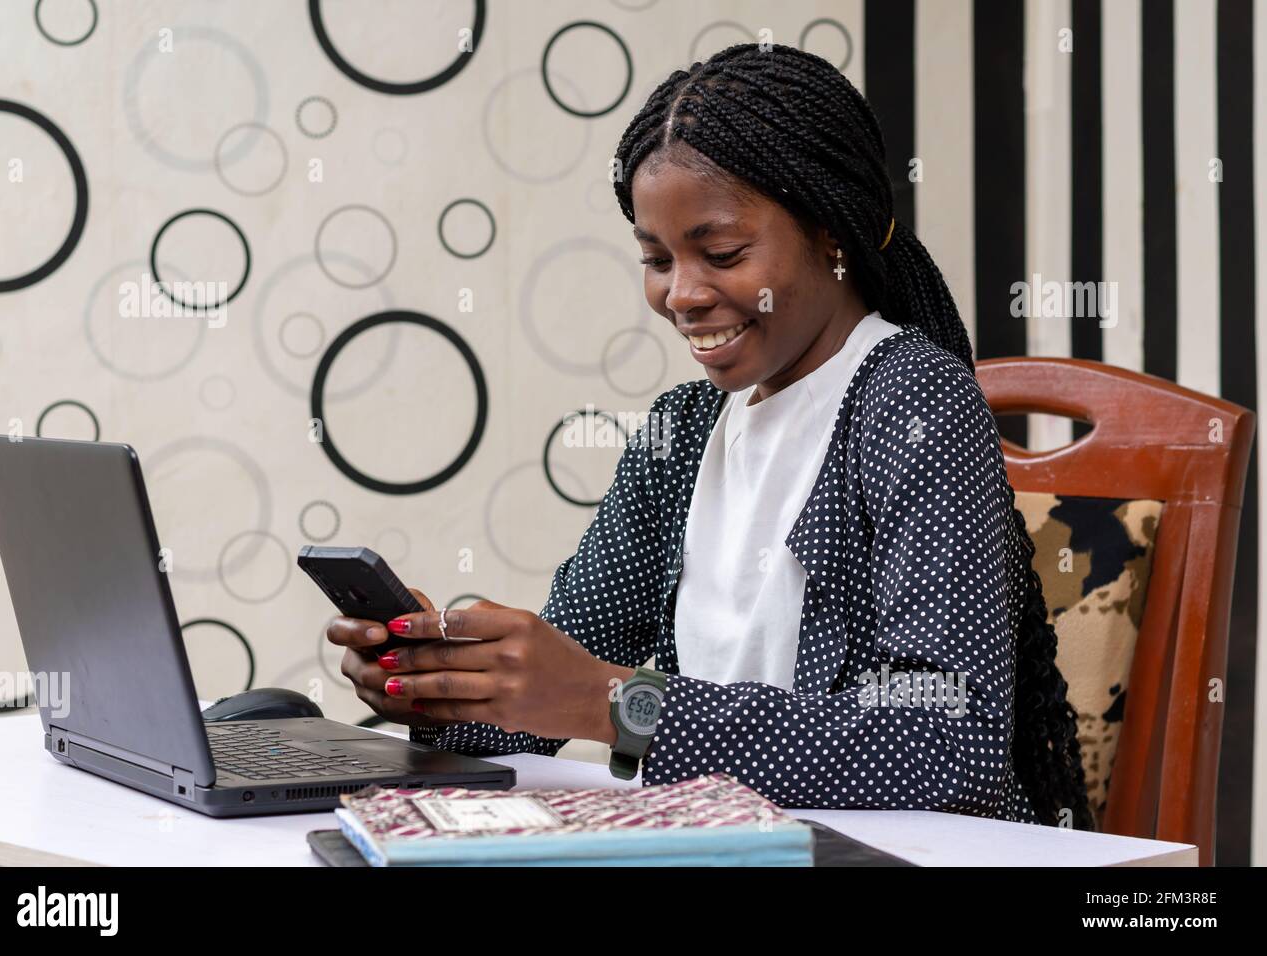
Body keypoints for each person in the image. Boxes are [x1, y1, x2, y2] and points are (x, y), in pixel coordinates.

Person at [329, 42, 1092, 828]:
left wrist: (617, 705)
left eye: (722, 253)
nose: (683, 295)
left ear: (834, 234)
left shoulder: (913, 402)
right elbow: (551, 703)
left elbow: (943, 747)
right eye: (656, 259)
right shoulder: (681, 433)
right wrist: (437, 684)